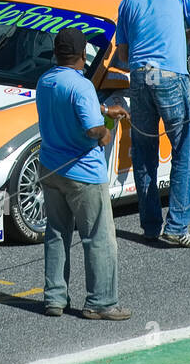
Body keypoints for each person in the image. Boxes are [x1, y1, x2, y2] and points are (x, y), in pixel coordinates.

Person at [115, 0, 190, 247]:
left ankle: (150, 226)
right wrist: (184, 35)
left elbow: (122, 56)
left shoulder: (127, 2)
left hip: (140, 79)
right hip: (171, 78)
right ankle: (177, 227)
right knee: (183, 152)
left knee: (144, 153)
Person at [35, 26, 132, 320]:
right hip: (83, 174)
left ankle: (54, 298)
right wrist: (104, 131)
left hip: (51, 167)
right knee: (98, 237)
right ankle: (101, 303)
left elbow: (71, 107)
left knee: (56, 232)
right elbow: (92, 129)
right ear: (82, 55)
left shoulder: (46, 80)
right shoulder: (82, 86)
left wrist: (102, 108)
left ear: (56, 53)